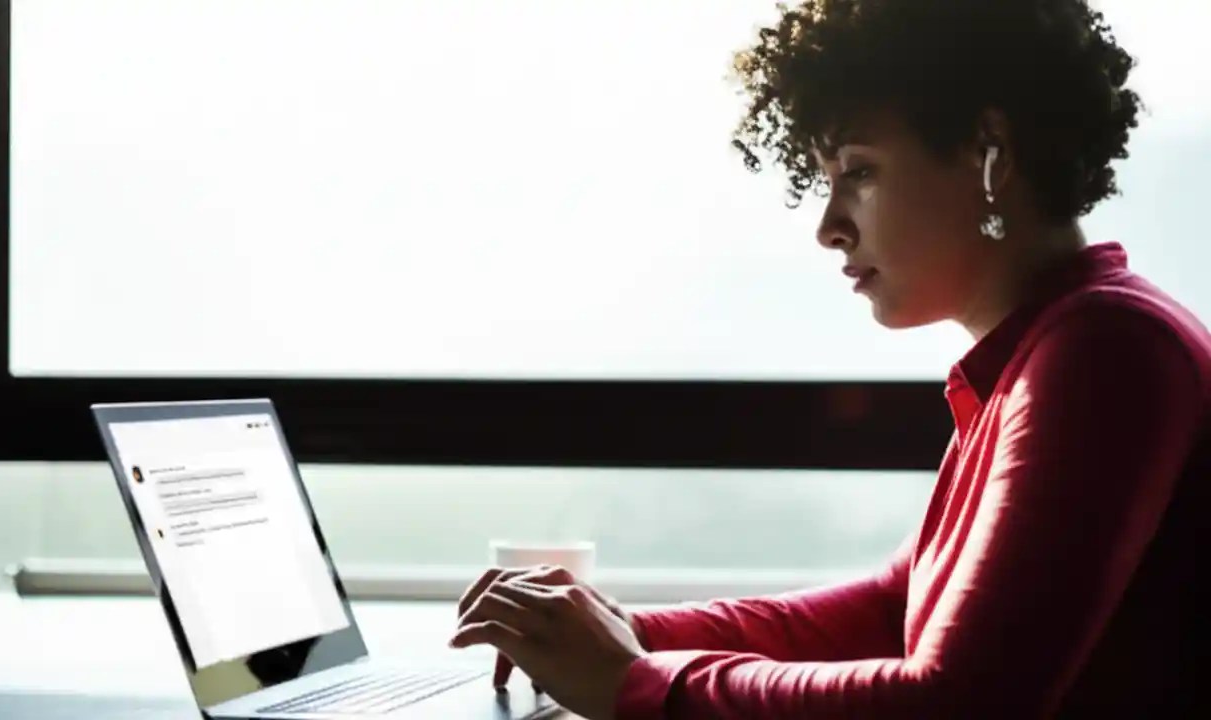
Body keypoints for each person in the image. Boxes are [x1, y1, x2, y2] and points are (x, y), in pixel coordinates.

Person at [450, 0, 1209, 717]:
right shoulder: (1045, 353)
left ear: (990, 152)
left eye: (860, 171)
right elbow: (892, 609)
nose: (828, 227)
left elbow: (956, 702)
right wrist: (620, 633)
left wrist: (635, 684)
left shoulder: (1103, 352)